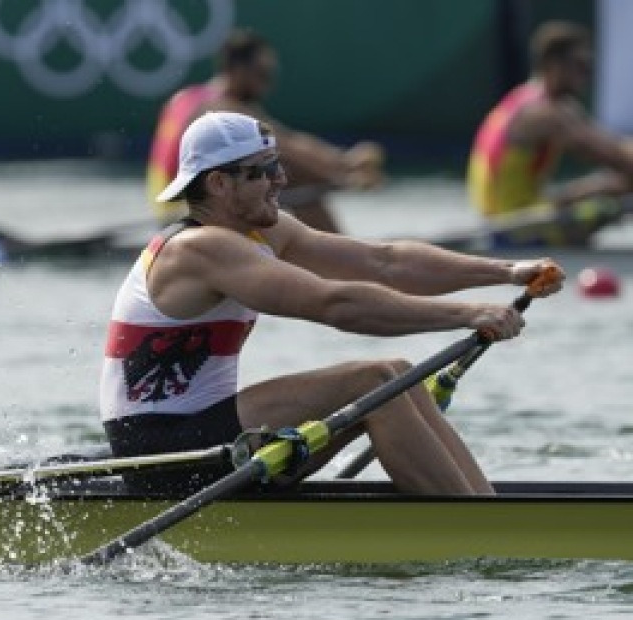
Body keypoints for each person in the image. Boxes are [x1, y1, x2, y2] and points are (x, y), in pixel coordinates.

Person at [103, 112, 563, 496]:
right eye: (262, 170)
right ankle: (480, 530)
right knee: (375, 381)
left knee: (399, 374)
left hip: (207, 433)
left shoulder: (264, 231)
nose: (280, 179)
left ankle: (483, 508)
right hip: (161, 453)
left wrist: (505, 272)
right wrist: (468, 314)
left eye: (276, 164)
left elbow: (383, 262)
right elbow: (335, 304)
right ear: (220, 183)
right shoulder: (200, 250)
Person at [146, 28, 384, 233]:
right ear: (238, 69)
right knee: (292, 175)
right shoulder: (221, 110)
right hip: (186, 209)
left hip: (173, 200)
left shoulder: (188, 96)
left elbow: (290, 138)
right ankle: (339, 259)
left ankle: (332, 253)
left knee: (269, 170)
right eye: (263, 74)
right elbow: (287, 148)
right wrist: (345, 176)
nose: (268, 84)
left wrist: (343, 160)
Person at [468, 21, 633, 245]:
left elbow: (611, 143)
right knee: (617, 188)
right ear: (552, 64)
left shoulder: (526, 98)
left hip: (520, 212)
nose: (586, 75)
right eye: (580, 65)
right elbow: (615, 158)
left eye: (589, 66)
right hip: (513, 228)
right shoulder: (543, 115)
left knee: (610, 185)